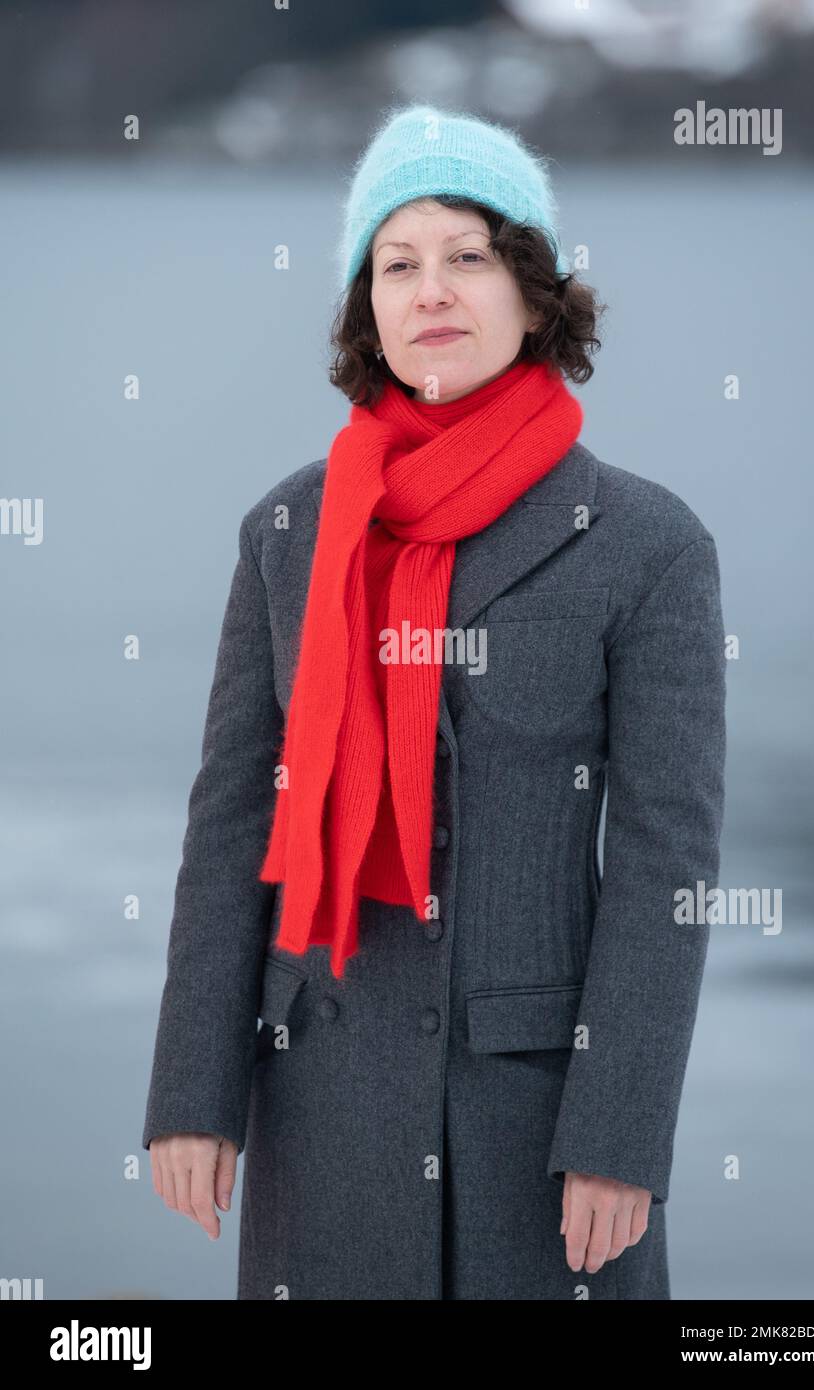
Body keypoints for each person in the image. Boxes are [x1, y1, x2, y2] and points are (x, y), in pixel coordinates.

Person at [142, 103, 726, 1300]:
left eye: (467, 255)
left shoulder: (645, 544)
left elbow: (668, 862)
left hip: (538, 1122)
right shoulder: (289, 533)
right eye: (396, 264)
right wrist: (191, 1096)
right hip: (323, 1106)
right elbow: (231, 826)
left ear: (531, 288)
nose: (432, 292)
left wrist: (617, 1133)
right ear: (368, 307)